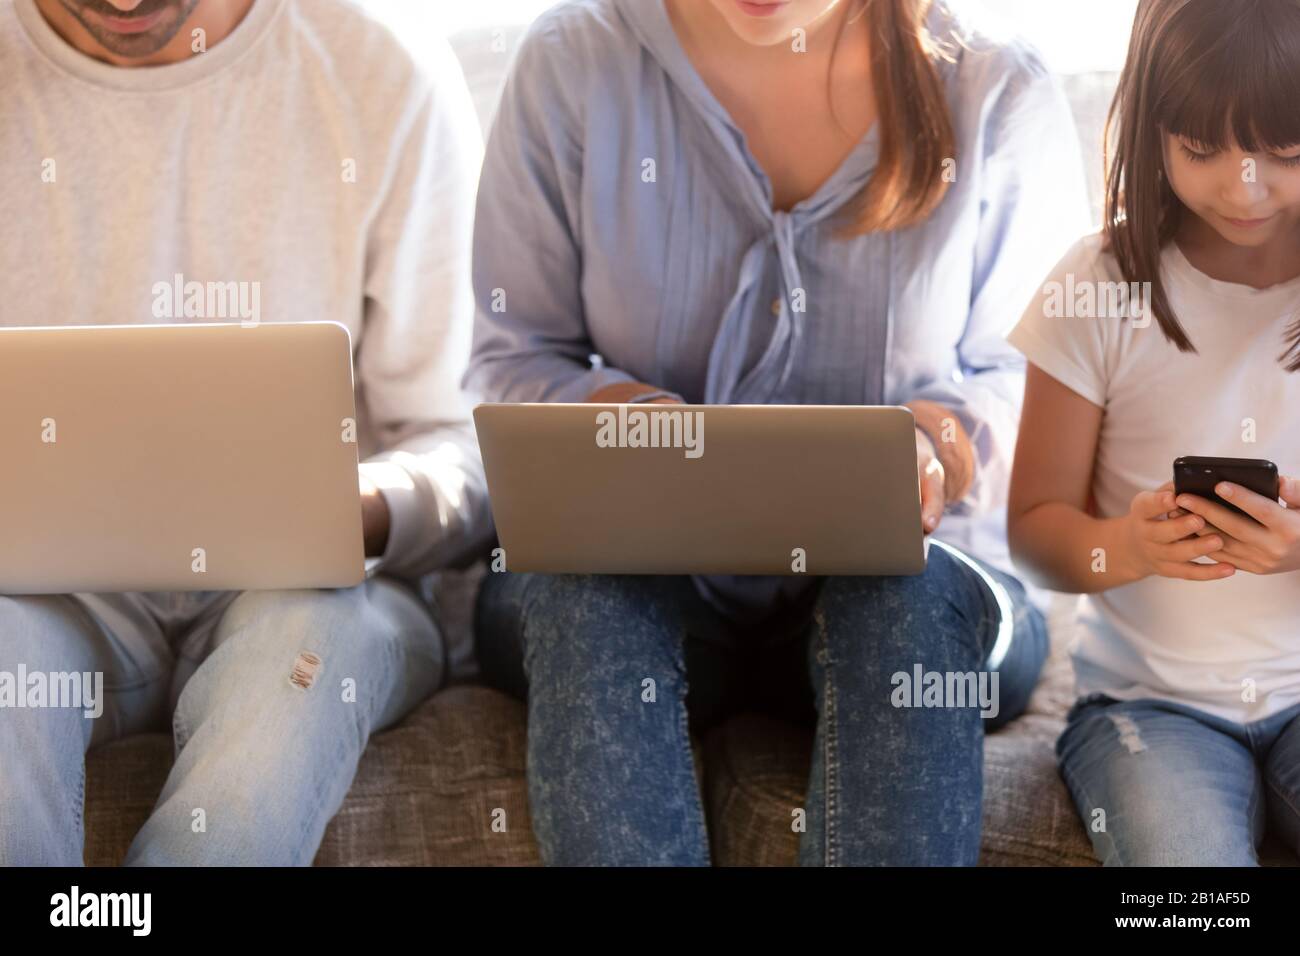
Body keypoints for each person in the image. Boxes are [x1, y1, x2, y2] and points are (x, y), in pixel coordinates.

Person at [467, 0, 1088, 865]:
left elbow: (1038, 380)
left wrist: (937, 443)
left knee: (907, 596)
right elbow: (513, 358)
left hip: (917, 587)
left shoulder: (995, 87)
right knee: (586, 591)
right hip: (645, 588)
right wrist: (635, 424)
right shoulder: (573, 60)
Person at [0, 0, 489, 865]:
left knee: (296, 669)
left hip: (313, 592)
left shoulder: (381, 69)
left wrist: (357, 504)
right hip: (44, 598)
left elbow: (470, 440)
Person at [1008, 0, 1300, 866]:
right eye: (1202, 149)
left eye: (1285, 152)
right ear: (1152, 128)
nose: (1243, 188)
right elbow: (1034, 536)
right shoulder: (1099, 283)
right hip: (1147, 708)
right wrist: (1128, 548)